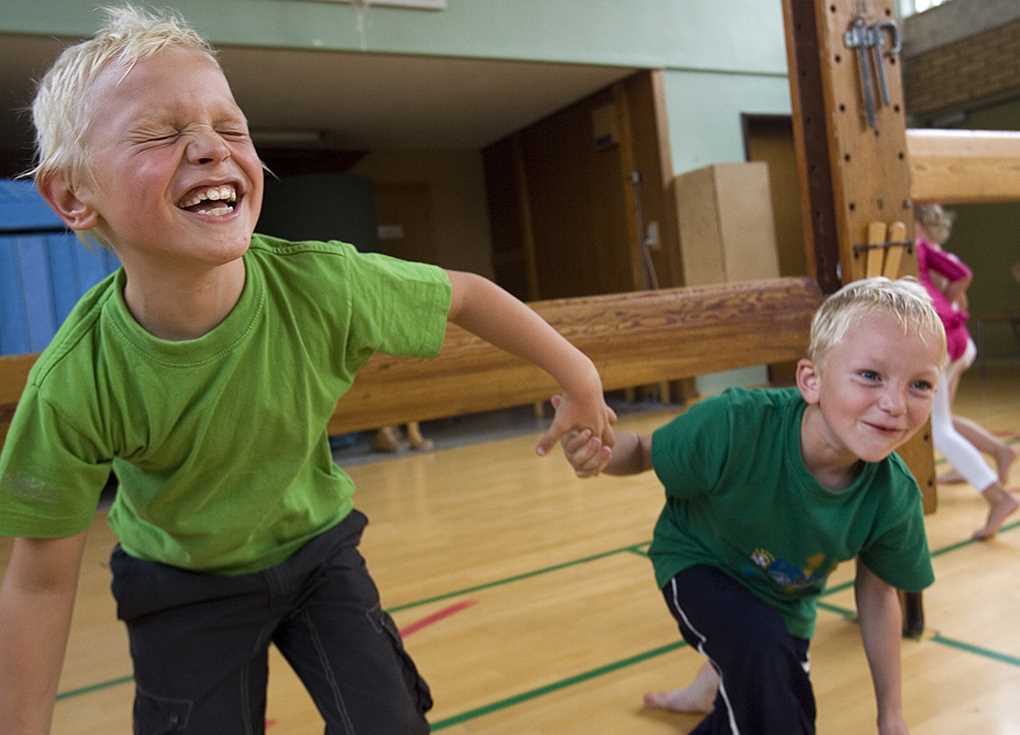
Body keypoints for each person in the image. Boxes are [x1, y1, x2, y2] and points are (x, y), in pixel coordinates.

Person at [0, 7, 617, 735]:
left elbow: (469, 295)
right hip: (180, 583)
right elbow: (38, 581)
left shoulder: (323, 284)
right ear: (73, 195)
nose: (209, 148)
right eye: (161, 133)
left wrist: (579, 376)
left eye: (229, 127)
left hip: (316, 552)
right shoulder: (77, 379)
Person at [558, 276, 945, 734]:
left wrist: (891, 715)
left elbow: (878, 594)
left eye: (919, 385)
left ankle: (715, 692)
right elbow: (642, 451)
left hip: (785, 608)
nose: (895, 404)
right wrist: (593, 451)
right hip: (700, 564)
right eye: (870, 376)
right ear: (812, 380)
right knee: (769, 684)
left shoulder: (893, 496)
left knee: (764, 703)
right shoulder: (735, 424)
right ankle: (721, 679)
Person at [914, 204, 1017, 540]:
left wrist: (942, 304)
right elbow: (963, 275)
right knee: (942, 421)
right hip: (953, 333)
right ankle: (997, 455)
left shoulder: (912, 247)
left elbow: (961, 280)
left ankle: (998, 496)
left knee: (940, 428)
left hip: (943, 335)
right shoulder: (924, 248)